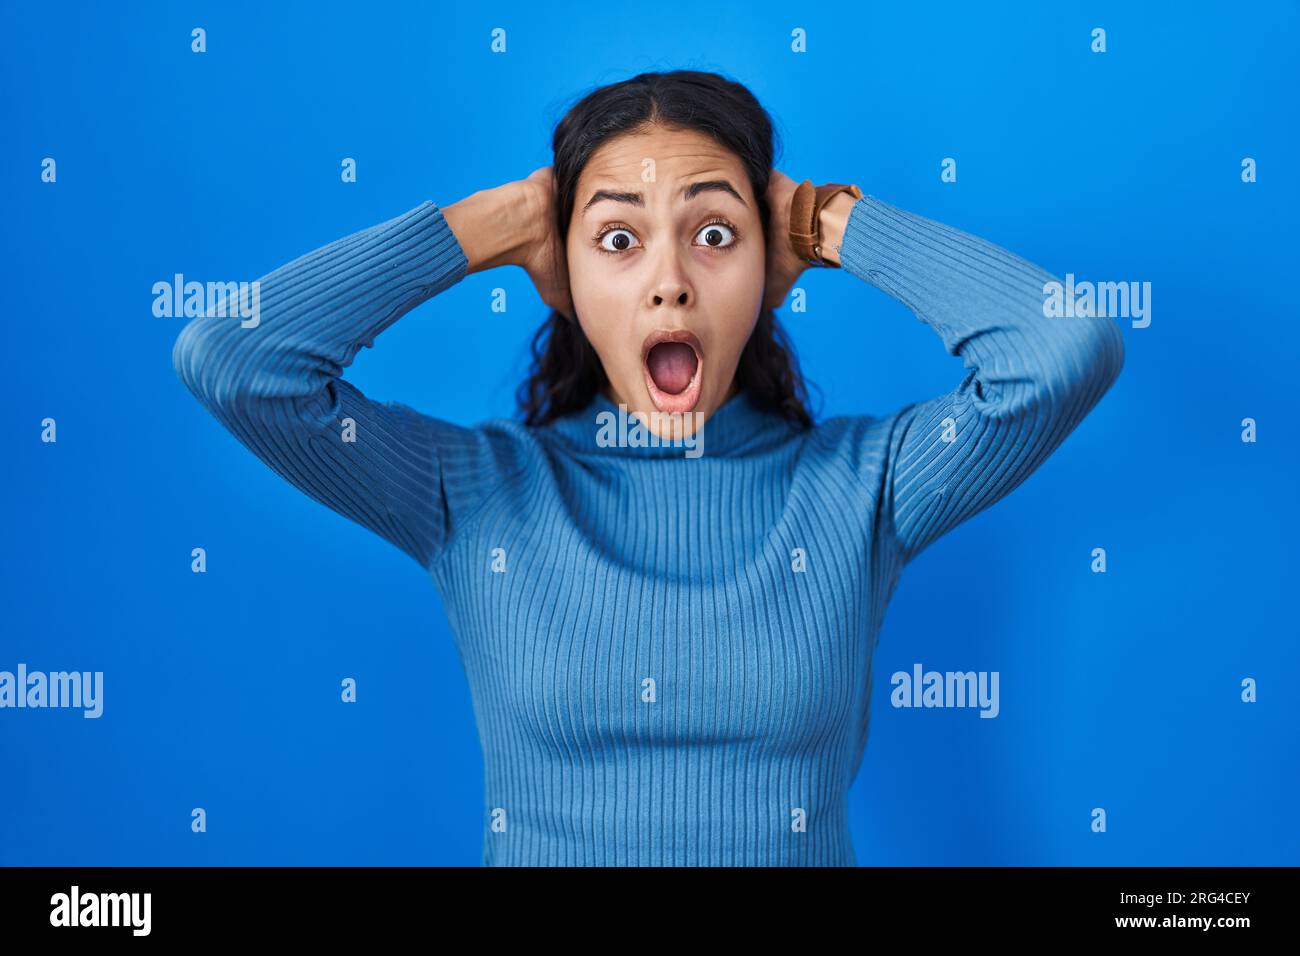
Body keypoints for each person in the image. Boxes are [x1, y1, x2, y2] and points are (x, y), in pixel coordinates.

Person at [172, 70, 1124, 866]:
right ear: (566, 278)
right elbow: (235, 361)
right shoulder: (474, 491)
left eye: (716, 235)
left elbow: (1061, 347)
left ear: (767, 271)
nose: (669, 278)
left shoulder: (862, 487)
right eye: (617, 241)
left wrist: (825, 220)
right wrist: (494, 224)